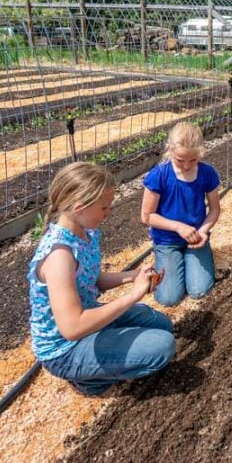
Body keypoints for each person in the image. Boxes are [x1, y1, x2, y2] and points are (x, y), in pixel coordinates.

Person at [29, 161, 176, 397]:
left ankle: (99, 357)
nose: (109, 213)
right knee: (162, 347)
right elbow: (72, 328)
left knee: (162, 325)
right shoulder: (59, 257)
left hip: (88, 315)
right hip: (65, 349)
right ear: (79, 208)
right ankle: (89, 381)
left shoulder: (86, 233)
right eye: (104, 208)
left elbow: (93, 280)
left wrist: (133, 276)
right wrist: (133, 296)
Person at [141, 122, 221, 307]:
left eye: (192, 160)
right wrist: (178, 226)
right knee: (168, 298)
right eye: (180, 160)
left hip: (195, 239)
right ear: (170, 151)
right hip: (167, 241)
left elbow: (215, 209)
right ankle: (169, 257)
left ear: (200, 153)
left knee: (199, 290)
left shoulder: (207, 173)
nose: (186, 165)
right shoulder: (159, 175)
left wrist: (203, 231)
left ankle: (197, 254)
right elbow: (147, 216)